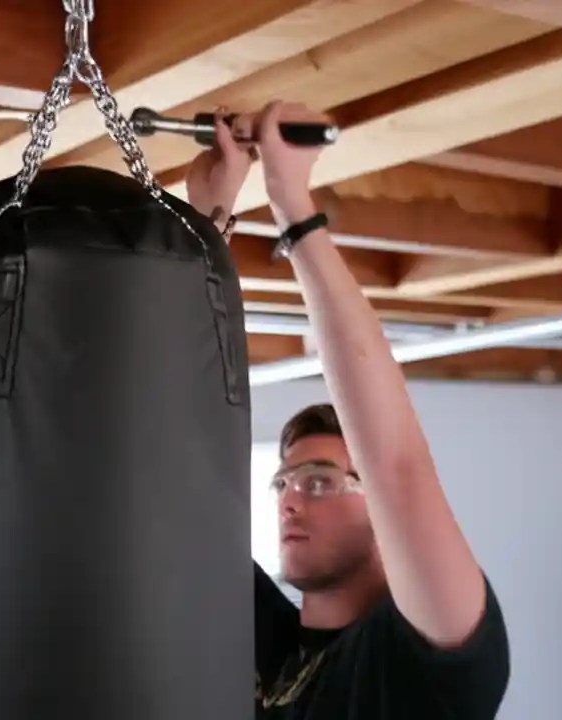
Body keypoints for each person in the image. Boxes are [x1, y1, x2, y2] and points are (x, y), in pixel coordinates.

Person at [186, 102, 511, 719]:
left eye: (318, 482)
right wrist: (211, 220)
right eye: (285, 480)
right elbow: (171, 447)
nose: (288, 498)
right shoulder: (276, 642)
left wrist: (292, 204)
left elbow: (397, 468)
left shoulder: (424, 667)